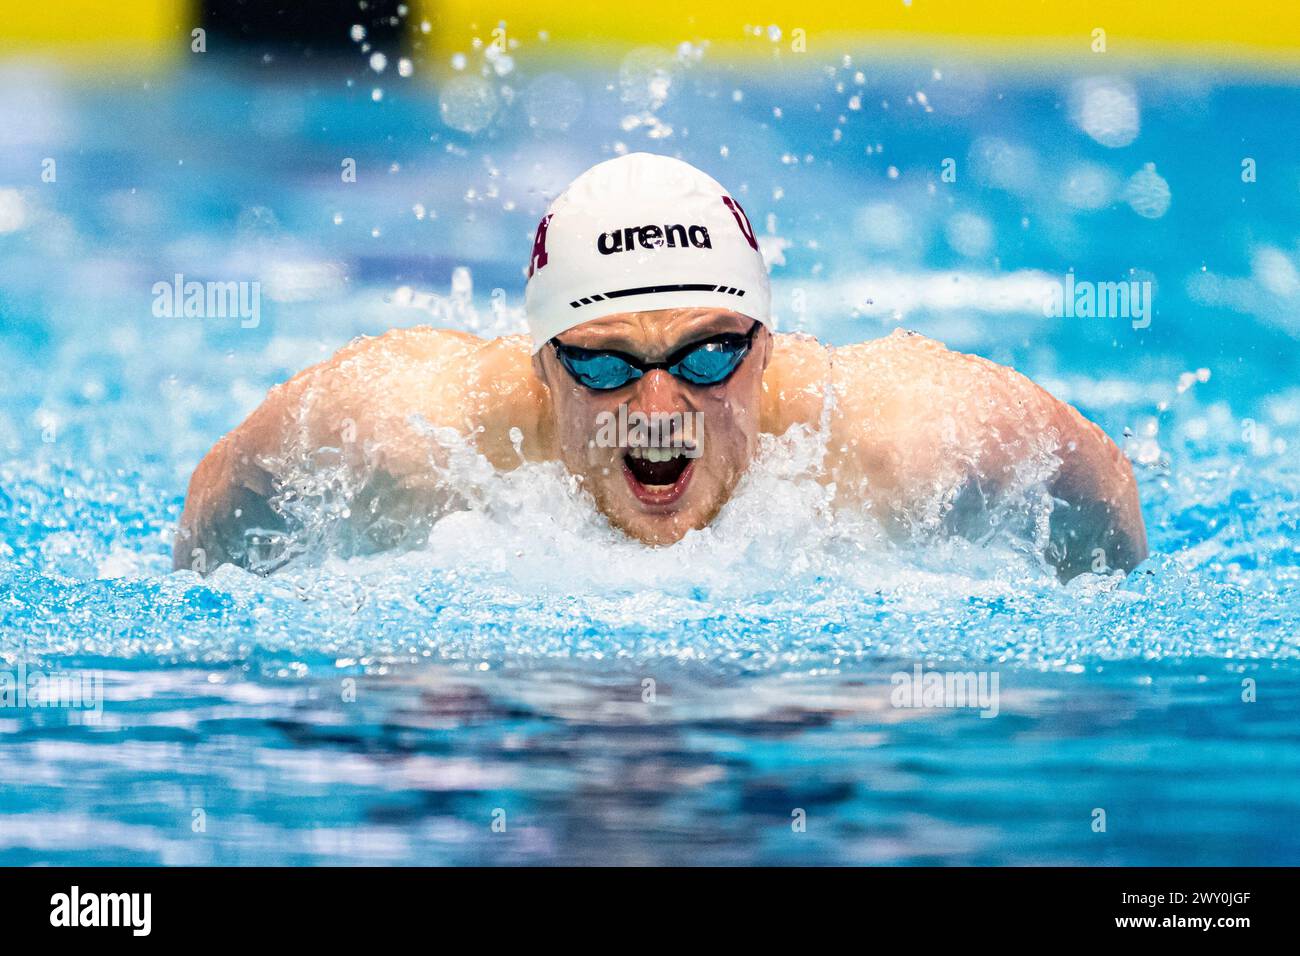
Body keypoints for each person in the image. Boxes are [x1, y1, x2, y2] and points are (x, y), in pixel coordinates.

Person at [174, 152, 1146, 579]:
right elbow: (218, 500)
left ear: (767, 349)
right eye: (603, 367)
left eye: (709, 354)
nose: (657, 406)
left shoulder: (908, 437)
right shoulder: (404, 432)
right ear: (541, 370)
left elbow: (1098, 481)